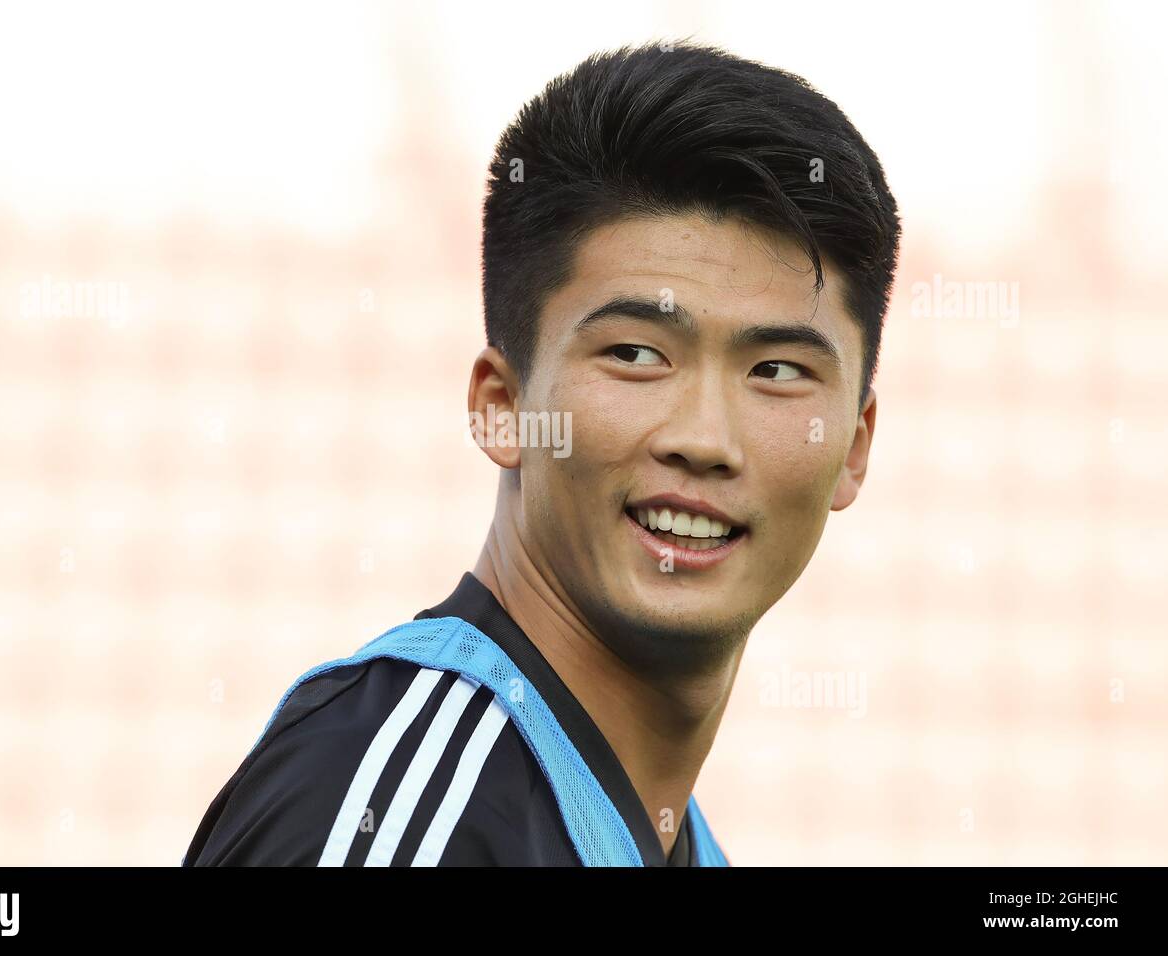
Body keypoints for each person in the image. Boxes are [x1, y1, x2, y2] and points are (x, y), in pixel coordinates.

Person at [184, 38, 900, 866]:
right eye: (636, 355)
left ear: (853, 446)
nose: (704, 440)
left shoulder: (669, 837)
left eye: (776, 370)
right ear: (502, 406)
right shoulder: (403, 814)